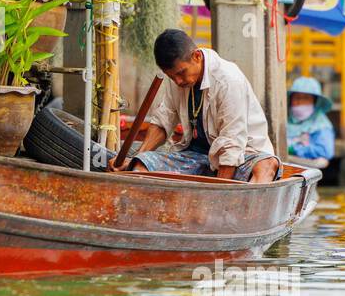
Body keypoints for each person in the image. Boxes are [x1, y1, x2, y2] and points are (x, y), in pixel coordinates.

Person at [113, 29, 279, 183]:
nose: (177, 81)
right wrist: (137, 158)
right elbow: (164, 120)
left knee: (266, 165)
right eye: (171, 77)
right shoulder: (177, 81)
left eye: (180, 73)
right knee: (141, 166)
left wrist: (219, 193)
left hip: (244, 155)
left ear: (197, 56)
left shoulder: (228, 80)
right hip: (195, 157)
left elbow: (232, 144)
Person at [286, 75, 335, 165]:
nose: (300, 102)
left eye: (305, 98)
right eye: (297, 98)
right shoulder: (284, 119)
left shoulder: (322, 125)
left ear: (315, 102)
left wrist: (294, 150)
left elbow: (326, 151)